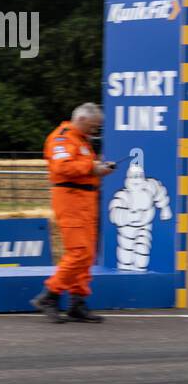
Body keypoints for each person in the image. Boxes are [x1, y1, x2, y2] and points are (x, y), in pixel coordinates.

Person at [32, 102, 115, 324]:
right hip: (70, 199)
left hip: (86, 199)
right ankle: (50, 295)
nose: (95, 131)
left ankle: (77, 302)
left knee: (87, 254)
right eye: (94, 126)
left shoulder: (82, 141)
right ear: (81, 119)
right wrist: (91, 168)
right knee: (78, 251)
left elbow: (81, 167)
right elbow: (62, 168)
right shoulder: (62, 137)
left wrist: (99, 170)